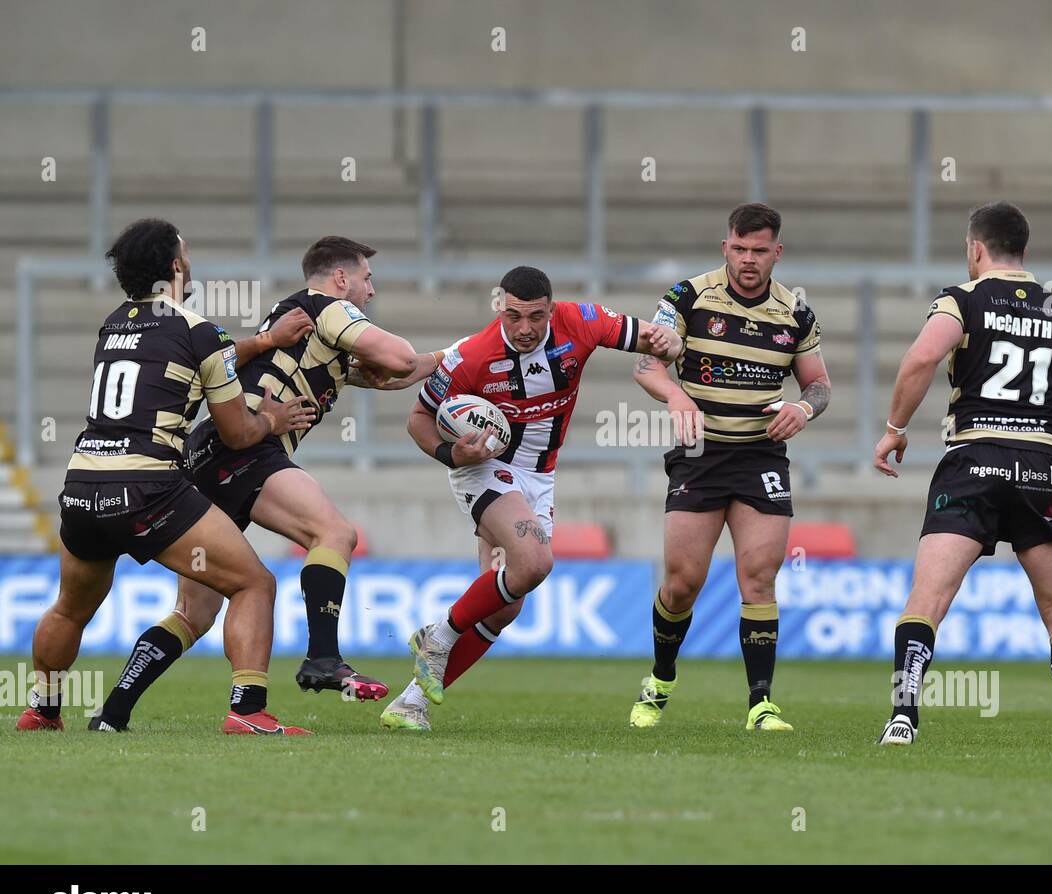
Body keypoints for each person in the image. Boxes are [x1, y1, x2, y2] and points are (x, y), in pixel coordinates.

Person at [89, 236, 428, 731]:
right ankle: (323, 658)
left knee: (193, 611)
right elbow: (400, 359)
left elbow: (399, 374)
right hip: (246, 449)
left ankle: (114, 711)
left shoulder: (296, 325)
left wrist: (461, 354)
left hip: (206, 455)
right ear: (341, 279)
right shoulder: (328, 308)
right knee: (333, 534)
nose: (370, 291)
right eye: (367, 279)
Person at [18, 218, 317, 735]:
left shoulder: (113, 324)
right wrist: (273, 419)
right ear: (176, 265)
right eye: (187, 251)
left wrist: (264, 340)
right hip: (147, 488)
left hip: (84, 484)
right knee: (253, 583)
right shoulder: (197, 329)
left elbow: (193, 360)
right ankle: (247, 712)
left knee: (70, 608)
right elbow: (238, 432)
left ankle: (42, 710)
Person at [872, 202, 1052, 747]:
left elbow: (921, 359)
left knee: (927, 599)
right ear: (1023, 250)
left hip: (974, 462)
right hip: (1041, 468)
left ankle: (903, 717)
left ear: (976, 248)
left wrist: (895, 427)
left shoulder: (961, 300)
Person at [379, 265, 683, 730]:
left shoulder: (580, 321)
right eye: (514, 316)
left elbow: (651, 339)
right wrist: (450, 453)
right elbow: (418, 419)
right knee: (537, 562)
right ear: (501, 308)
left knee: (505, 606)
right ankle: (437, 635)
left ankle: (410, 702)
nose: (524, 329)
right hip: (483, 467)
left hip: (540, 475)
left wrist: (669, 343)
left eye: (535, 317)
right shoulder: (473, 356)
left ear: (551, 309)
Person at [626, 202, 831, 732]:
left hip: (761, 454)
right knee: (682, 583)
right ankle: (660, 679)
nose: (748, 260)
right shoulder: (688, 297)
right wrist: (675, 395)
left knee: (759, 577)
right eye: (739, 249)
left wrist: (802, 408)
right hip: (701, 453)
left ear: (776, 253)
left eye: (759, 251)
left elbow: (819, 384)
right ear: (726, 247)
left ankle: (761, 703)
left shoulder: (796, 313)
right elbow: (647, 364)